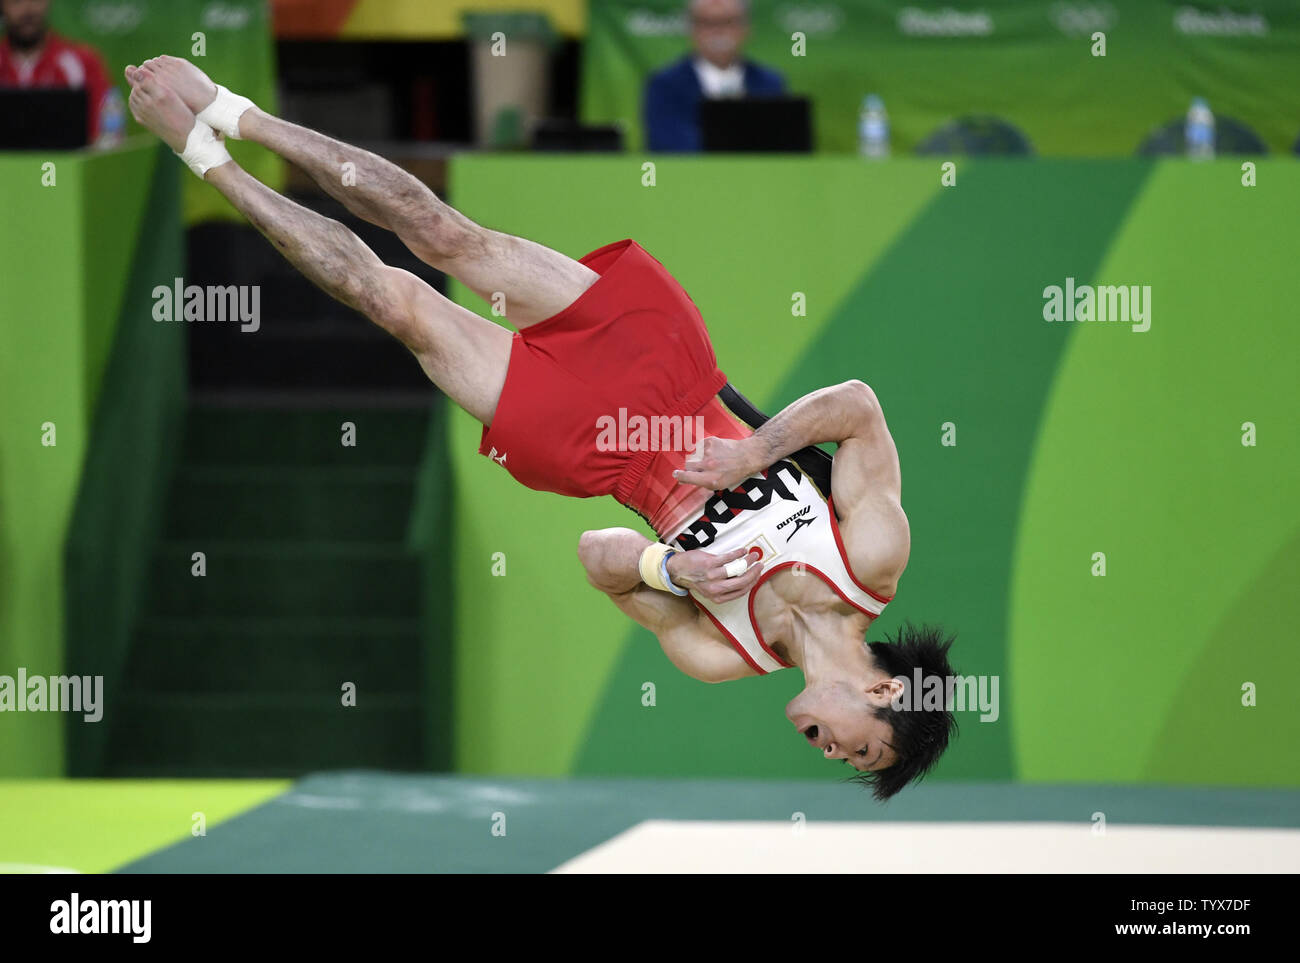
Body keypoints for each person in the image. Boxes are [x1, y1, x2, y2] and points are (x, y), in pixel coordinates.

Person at [124, 55, 957, 800]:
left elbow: (598, 558)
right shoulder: (873, 560)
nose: (835, 756)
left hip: (594, 452)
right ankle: (235, 112)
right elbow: (858, 405)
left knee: (395, 302)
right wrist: (754, 449)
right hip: (662, 366)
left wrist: (670, 566)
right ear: (886, 694)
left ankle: (206, 159)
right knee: (445, 234)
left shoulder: (721, 653)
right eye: (860, 753)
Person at [643, 0, 786, 152]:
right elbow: (669, 145)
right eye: (707, 23)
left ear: (746, 28)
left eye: (728, 22)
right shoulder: (664, 85)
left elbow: (780, 145)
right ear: (691, 29)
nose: (718, 31)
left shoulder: (770, 82)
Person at [0, 0, 124, 147]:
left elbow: (110, 136)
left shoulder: (84, 62)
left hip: (65, 168)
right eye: (16, 2)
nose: (28, 9)